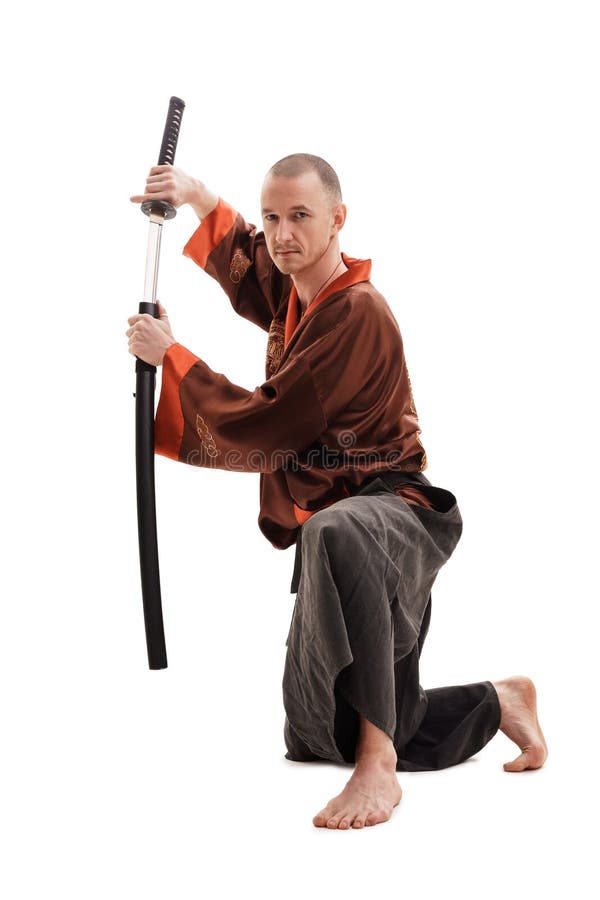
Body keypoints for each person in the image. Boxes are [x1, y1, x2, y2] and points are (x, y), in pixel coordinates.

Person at [126, 154, 548, 830]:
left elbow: (270, 424)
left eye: (300, 216)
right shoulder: (300, 291)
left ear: (337, 220)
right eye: (271, 218)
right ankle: (499, 701)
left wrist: (171, 358)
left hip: (394, 513)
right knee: (315, 735)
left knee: (337, 527)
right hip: (341, 525)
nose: (282, 234)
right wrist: (197, 194)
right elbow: (253, 270)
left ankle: (379, 765)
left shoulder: (355, 311)